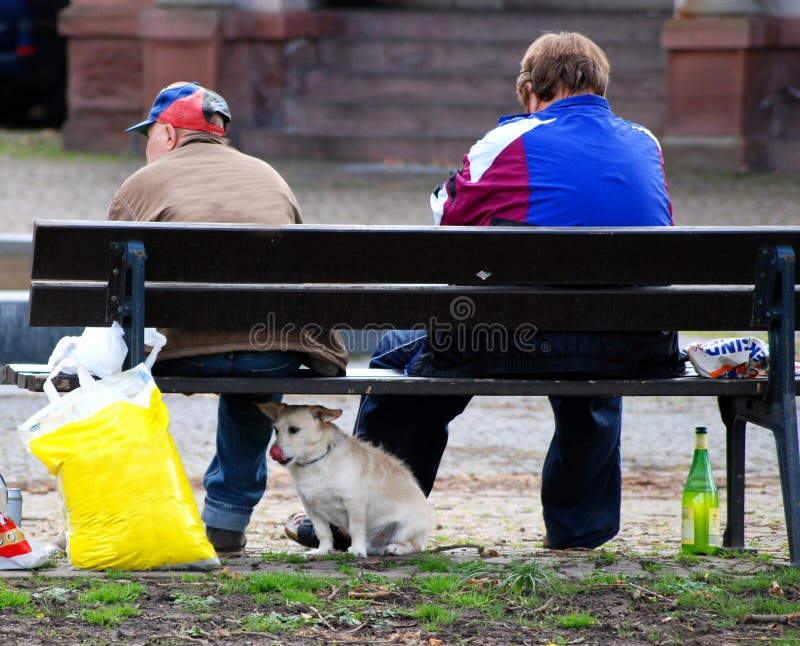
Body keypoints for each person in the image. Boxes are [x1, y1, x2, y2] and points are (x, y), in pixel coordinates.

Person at [286, 31, 682, 551]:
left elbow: (449, 217)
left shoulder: (511, 140)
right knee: (592, 347)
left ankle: (363, 519)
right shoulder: (644, 143)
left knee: (395, 357)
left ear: (529, 89)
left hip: (511, 336)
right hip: (635, 343)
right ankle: (580, 527)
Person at [111, 81, 348, 555]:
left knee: (119, 379)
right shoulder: (269, 176)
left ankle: (132, 510)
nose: (147, 148)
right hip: (270, 355)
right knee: (252, 390)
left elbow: (112, 283)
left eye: (149, 136)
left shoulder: (141, 185)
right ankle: (226, 519)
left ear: (171, 135)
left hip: (182, 356)